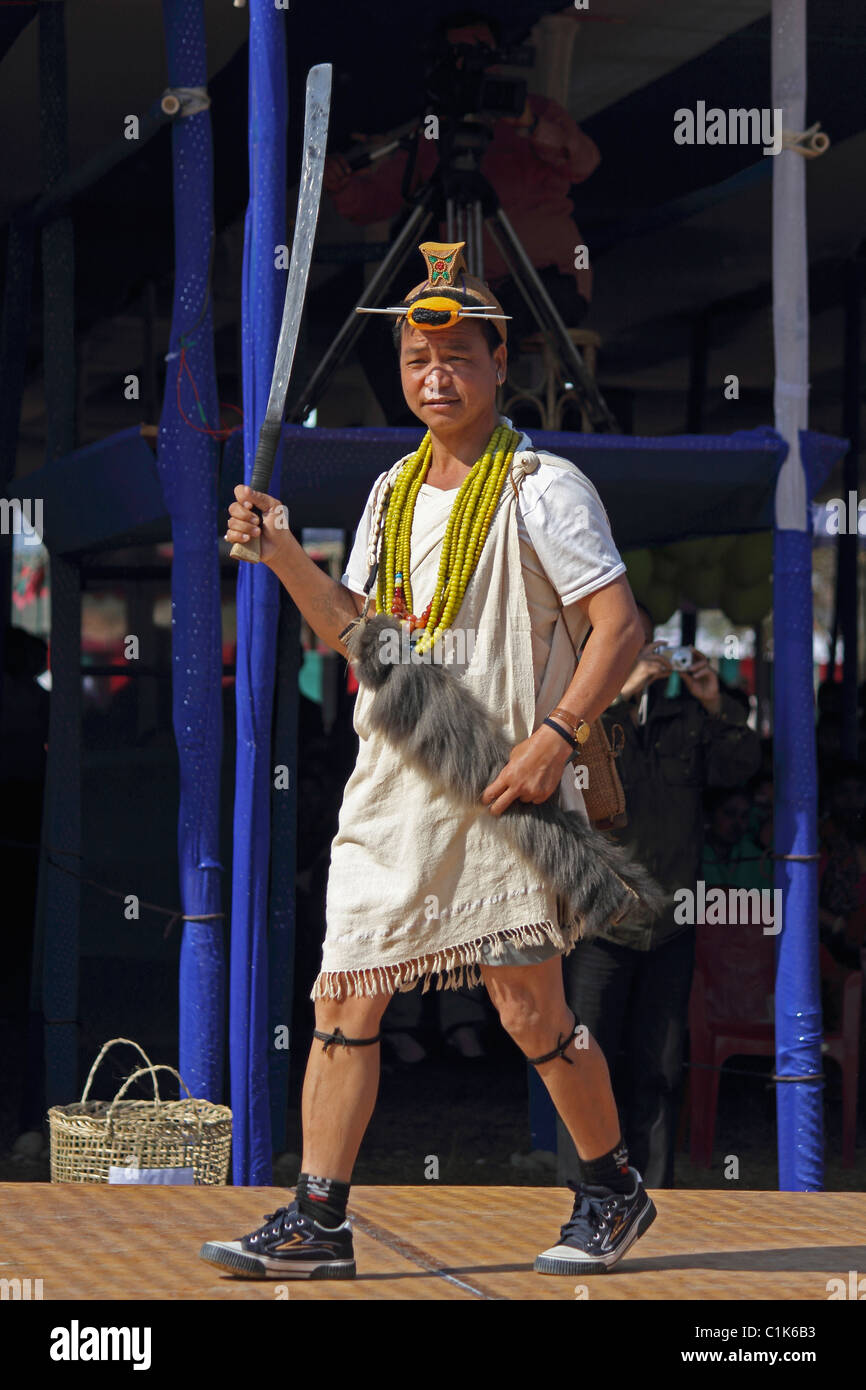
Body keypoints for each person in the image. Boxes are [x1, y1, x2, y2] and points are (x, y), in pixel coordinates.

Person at [202, 240, 660, 1281]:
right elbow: (360, 637)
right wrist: (280, 552)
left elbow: (618, 629)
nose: (435, 376)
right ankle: (318, 1220)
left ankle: (613, 1188)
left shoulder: (545, 486)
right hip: (394, 786)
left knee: (528, 1008)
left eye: (457, 357)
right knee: (341, 996)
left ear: (502, 362)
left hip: (507, 780)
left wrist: (557, 740)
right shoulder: (387, 493)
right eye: (417, 360)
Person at [556, 605, 762, 1190]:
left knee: (660, 1069)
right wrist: (617, 693)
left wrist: (715, 702)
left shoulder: (685, 720)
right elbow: (567, 773)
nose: (639, 651)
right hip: (599, 924)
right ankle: (587, 1193)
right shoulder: (578, 713)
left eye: (642, 642)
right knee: (583, 1062)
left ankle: (654, 1192)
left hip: (670, 923)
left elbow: (740, 765)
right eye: (623, 641)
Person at [322, 11, 600, 424]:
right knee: (383, 332)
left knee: (470, 334)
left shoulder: (536, 111)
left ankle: (487, 437)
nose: (468, 65)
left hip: (545, 281)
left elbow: (584, 161)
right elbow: (373, 201)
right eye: (456, 55)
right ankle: (423, 442)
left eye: (477, 53)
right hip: (466, 290)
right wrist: (340, 183)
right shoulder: (435, 133)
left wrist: (527, 122)